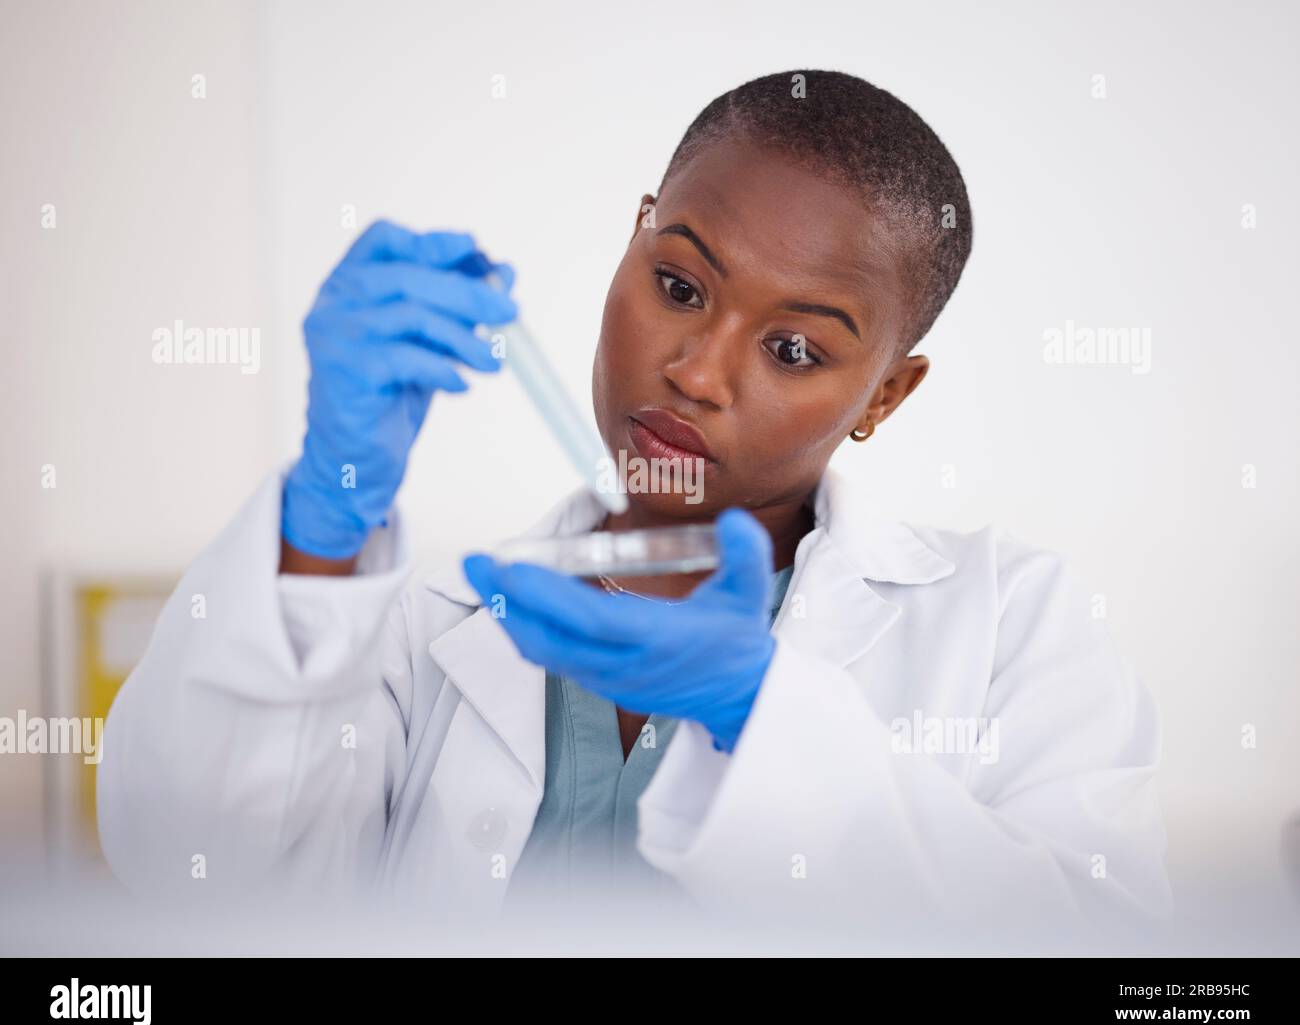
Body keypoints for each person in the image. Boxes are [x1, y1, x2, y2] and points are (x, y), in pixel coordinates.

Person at [97, 69, 1173, 939]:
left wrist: (763, 716)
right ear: (632, 244)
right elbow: (193, 885)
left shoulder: (1008, 625)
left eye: (793, 348)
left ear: (882, 396)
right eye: (678, 285)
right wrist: (321, 527)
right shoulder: (430, 619)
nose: (698, 372)